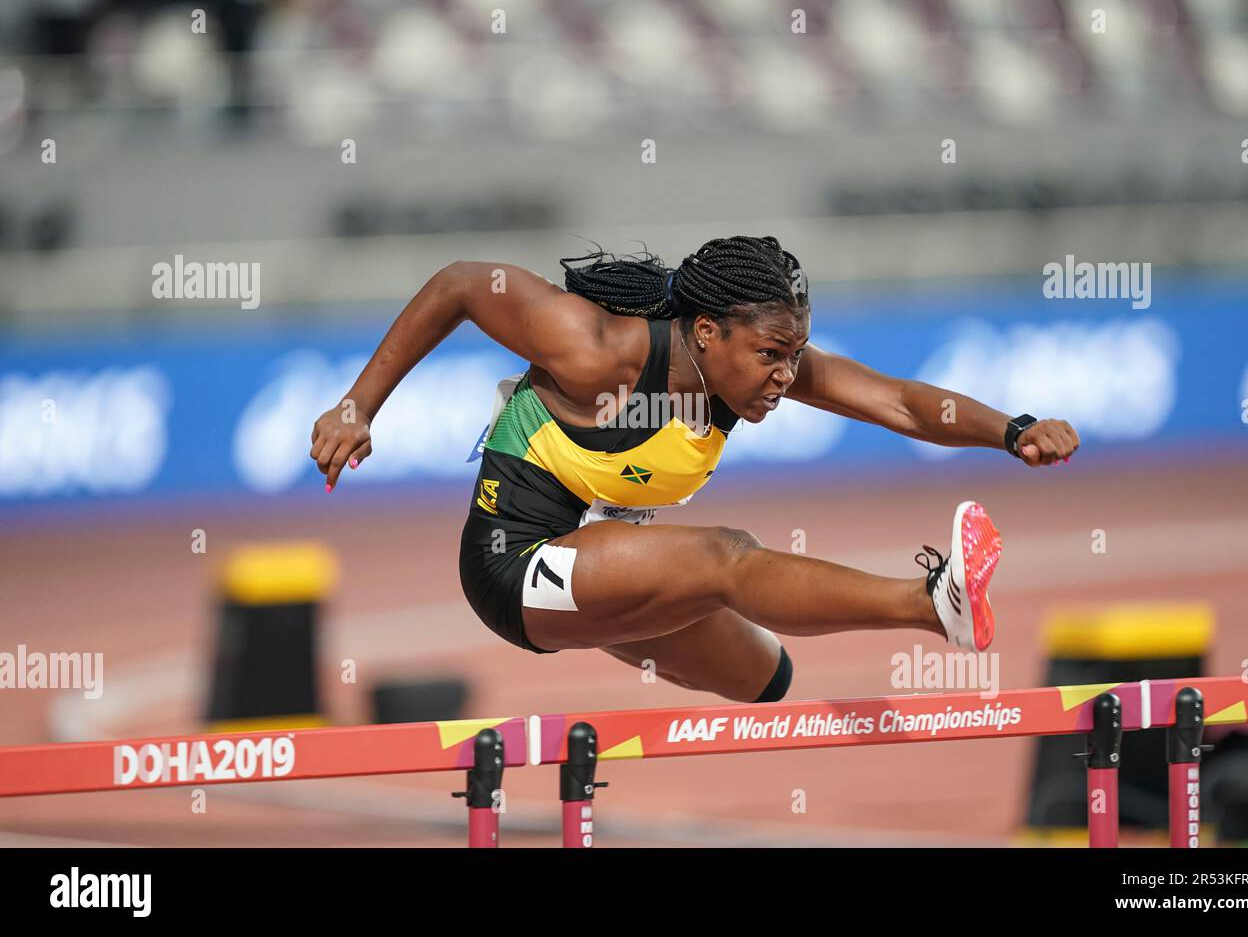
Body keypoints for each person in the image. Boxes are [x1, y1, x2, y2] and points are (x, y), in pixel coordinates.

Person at [310, 235, 1080, 704]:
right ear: (706, 332)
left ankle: (637, 616)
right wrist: (357, 406)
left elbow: (904, 404)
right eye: (771, 356)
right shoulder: (598, 349)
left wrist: (1012, 432)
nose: (785, 376)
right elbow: (459, 284)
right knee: (725, 557)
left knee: (765, 679)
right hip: (515, 562)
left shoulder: (755, 366)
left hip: (606, 558)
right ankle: (931, 602)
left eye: (793, 355)